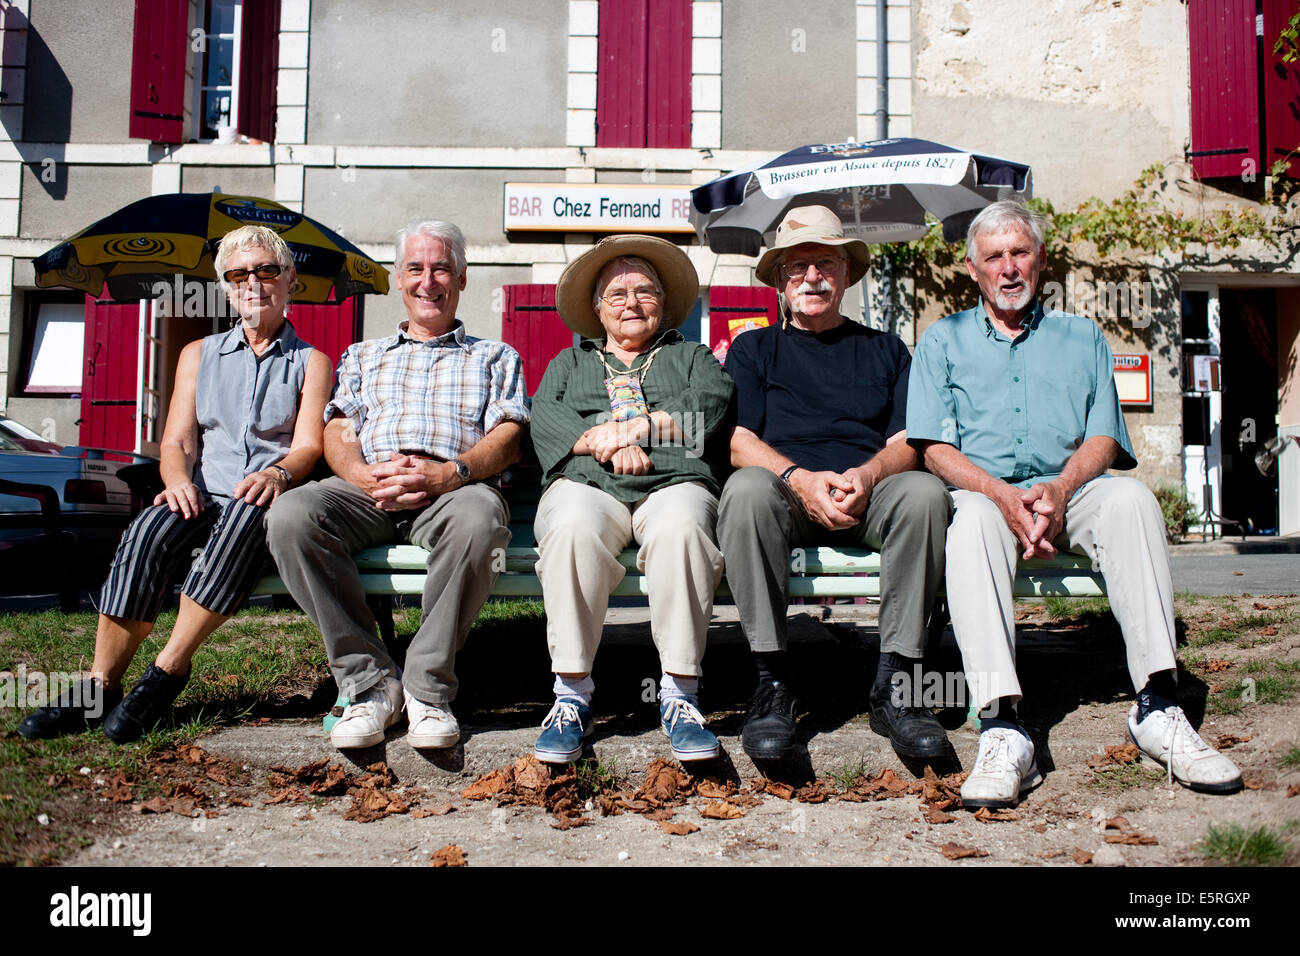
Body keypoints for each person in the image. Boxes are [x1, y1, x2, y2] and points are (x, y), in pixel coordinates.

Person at [907, 200, 1242, 808]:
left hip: (1072, 492)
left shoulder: (1081, 335)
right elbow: (932, 448)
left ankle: (1160, 705)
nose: (1009, 268)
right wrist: (1002, 494)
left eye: (1020, 252)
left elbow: (1105, 436)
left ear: (1040, 258)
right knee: (975, 519)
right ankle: (1004, 723)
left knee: (1132, 500)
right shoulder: (943, 340)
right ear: (972, 268)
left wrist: (1059, 490)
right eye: (994, 257)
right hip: (989, 496)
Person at [19, 224, 333, 743]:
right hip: (204, 493)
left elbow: (306, 447)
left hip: (265, 498)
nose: (253, 283)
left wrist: (277, 473)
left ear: (290, 279)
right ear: (228, 288)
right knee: (148, 530)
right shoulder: (198, 354)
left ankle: (166, 672)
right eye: (238, 274)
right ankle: (99, 685)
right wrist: (175, 480)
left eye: (266, 270)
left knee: (245, 517)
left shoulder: (312, 363)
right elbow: (177, 442)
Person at [266, 219, 529, 752]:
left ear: (460, 279)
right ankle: (369, 683)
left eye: (441, 269)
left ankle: (427, 689)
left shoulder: (495, 356)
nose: (428, 280)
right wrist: (362, 474)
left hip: (453, 487)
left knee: (481, 519)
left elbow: (509, 436)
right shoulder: (363, 355)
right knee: (292, 515)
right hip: (371, 487)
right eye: (415, 268)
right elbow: (337, 429)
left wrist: (449, 472)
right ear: (398, 279)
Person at [716, 205, 952, 763]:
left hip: (870, 492)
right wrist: (798, 480)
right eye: (796, 268)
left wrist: (866, 476)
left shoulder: (887, 349)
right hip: (787, 493)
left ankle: (898, 686)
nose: (811, 277)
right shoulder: (754, 349)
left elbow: (908, 442)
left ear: (846, 275)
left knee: (924, 494)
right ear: (779, 280)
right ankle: (772, 683)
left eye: (824, 263)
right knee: (746, 489)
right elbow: (737, 440)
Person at [529, 236, 733, 765]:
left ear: (663, 303)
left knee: (684, 528)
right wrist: (603, 442)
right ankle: (571, 696)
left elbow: (708, 407)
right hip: (589, 485)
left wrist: (637, 431)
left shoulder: (691, 356)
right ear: (597, 309)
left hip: (672, 484)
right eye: (616, 294)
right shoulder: (568, 363)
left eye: (644, 290)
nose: (631, 302)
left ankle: (680, 696)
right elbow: (545, 419)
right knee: (571, 525)